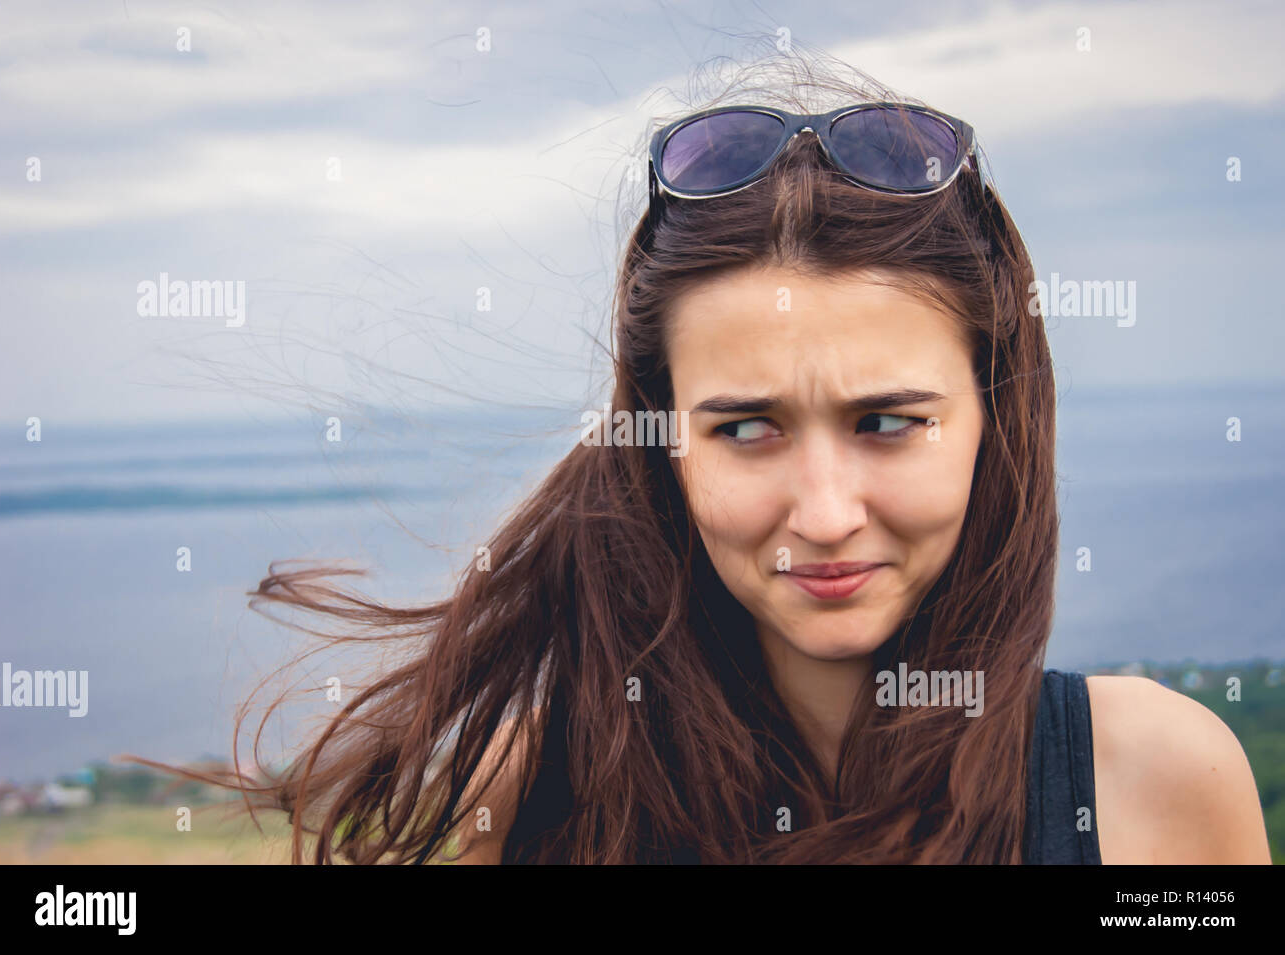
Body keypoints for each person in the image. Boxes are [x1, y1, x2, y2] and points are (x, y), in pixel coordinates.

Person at [135, 54, 1271, 865]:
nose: (824, 513)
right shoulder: (534, 800)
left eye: (887, 421)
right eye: (744, 428)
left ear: (995, 420)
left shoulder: (1152, 786)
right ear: (659, 441)